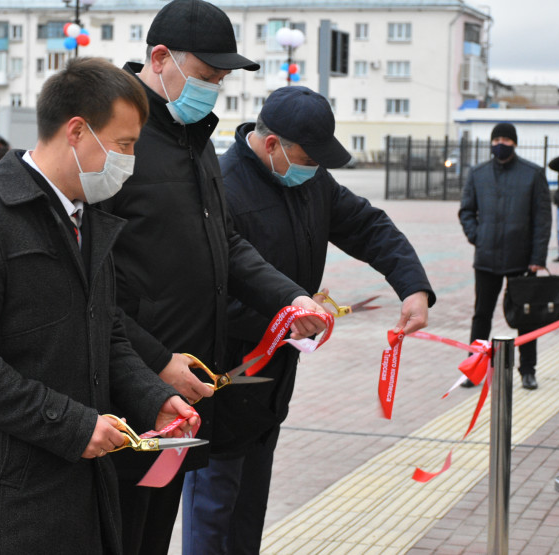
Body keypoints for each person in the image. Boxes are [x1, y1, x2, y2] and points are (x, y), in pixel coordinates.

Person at [0, 57, 198, 553]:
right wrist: (72, 425)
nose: (130, 161)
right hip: (11, 501)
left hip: (84, 488)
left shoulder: (88, 220)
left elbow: (105, 328)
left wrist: (151, 396)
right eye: (124, 145)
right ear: (77, 131)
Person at [104, 2, 328, 554]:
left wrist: (290, 299)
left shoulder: (195, 138)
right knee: (120, 532)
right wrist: (155, 361)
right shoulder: (115, 138)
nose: (214, 90)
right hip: (128, 382)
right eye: (207, 77)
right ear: (161, 59)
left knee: (157, 530)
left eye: (221, 80)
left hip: (187, 390)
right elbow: (89, 278)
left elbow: (224, 244)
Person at [181, 86, 436, 555]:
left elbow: (367, 225)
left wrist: (412, 284)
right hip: (222, 380)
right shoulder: (219, 185)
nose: (314, 168)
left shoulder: (310, 181)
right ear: (273, 144)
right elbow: (201, 291)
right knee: (212, 510)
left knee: (248, 511)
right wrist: (281, 317)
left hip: (273, 384)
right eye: (307, 156)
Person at [459, 122, 551, 390]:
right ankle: (473, 369)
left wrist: (537, 257)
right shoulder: (478, 174)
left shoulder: (533, 175)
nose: (501, 143)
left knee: (527, 317)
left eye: (506, 139)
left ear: (515, 143)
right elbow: (466, 211)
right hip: (486, 259)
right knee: (481, 315)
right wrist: (478, 236)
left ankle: (528, 370)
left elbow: (542, 220)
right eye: (496, 138)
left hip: (522, 259)